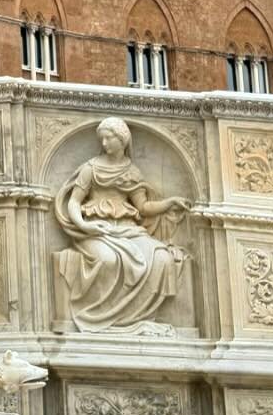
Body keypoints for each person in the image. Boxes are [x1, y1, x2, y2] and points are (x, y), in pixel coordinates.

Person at [53, 116, 188, 334]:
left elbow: (143, 207)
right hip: (96, 228)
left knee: (162, 257)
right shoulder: (91, 168)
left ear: (122, 139)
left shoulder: (131, 171)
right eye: (102, 139)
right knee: (107, 260)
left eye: (108, 138)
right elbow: (74, 202)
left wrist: (169, 203)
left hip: (127, 228)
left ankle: (135, 318)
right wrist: (85, 227)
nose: (104, 144)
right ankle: (99, 318)